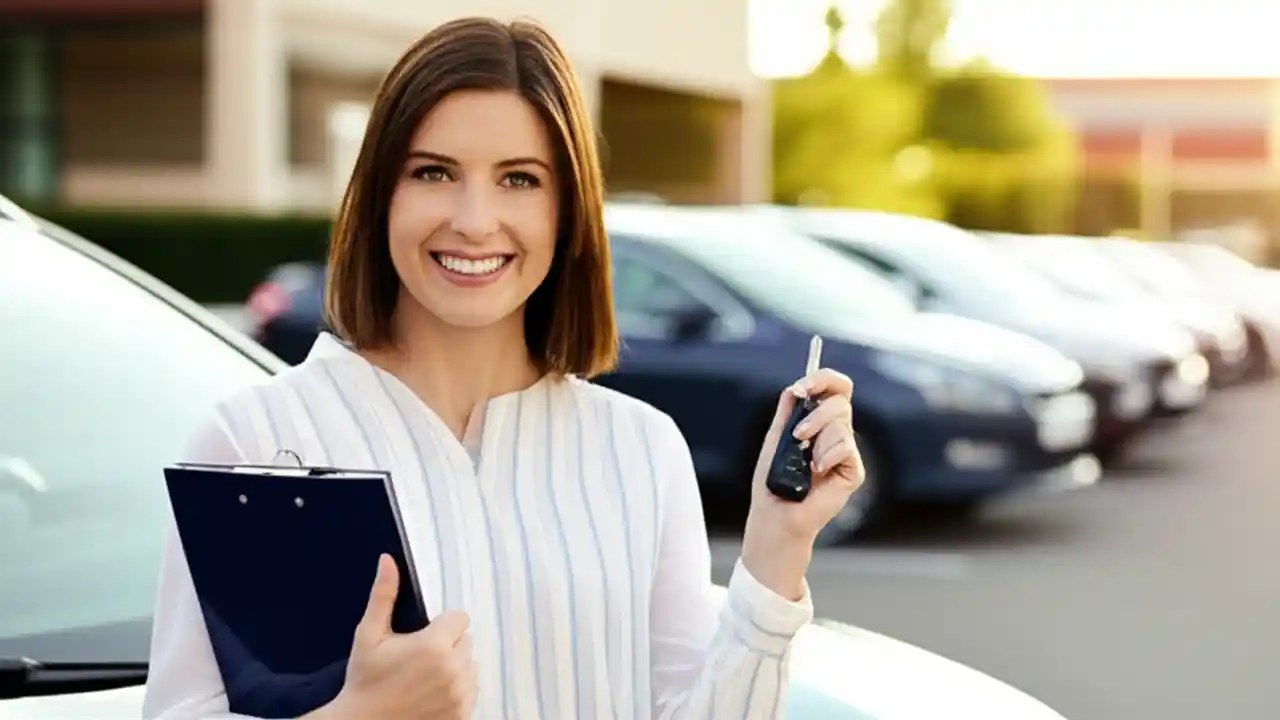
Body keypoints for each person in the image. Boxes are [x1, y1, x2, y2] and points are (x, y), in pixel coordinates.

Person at [142, 15, 863, 720]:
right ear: (379, 196)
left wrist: (778, 545)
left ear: (568, 210)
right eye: (433, 172)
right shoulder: (255, 446)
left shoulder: (641, 451)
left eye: (519, 180)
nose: (475, 219)